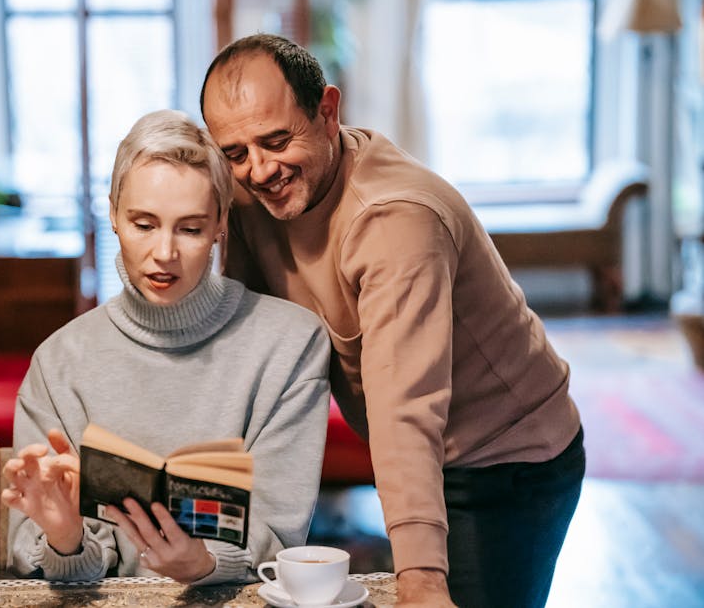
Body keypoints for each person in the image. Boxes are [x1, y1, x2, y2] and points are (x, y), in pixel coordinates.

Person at [200, 33, 585, 608]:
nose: (258, 170)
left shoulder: (395, 221)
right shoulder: (250, 193)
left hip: (506, 457)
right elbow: (245, 333)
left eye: (277, 141)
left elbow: (405, 407)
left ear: (328, 112)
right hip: (418, 448)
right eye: (234, 153)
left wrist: (422, 579)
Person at [1, 109, 332, 585]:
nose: (164, 253)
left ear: (220, 223)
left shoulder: (292, 344)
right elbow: (44, 561)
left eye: (190, 229)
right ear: (113, 215)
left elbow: (278, 533)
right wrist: (67, 540)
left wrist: (206, 563)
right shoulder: (59, 362)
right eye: (144, 224)